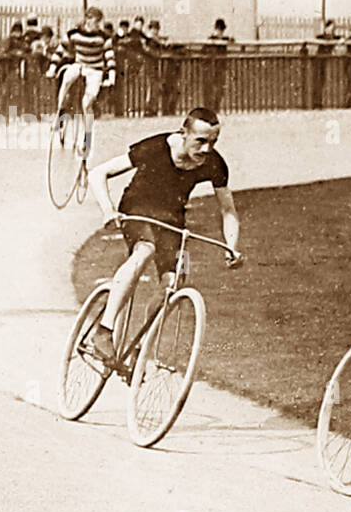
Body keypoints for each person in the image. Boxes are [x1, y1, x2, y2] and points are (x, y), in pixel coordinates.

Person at [84, 107, 243, 363]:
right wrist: (108, 211)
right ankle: (104, 331)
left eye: (213, 142)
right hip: (137, 209)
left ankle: (140, 347)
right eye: (200, 141)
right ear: (183, 134)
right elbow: (97, 173)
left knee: (174, 281)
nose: (206, 149)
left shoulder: (214, 163)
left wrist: (231, 246)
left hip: (171, 220)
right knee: (145, 249)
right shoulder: (156, 147)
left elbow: (228, 210)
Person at [46, 6, 116, 160]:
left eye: (99, 22)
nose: (97, 25)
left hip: (95, 70)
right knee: (67, 77)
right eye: (95, 21)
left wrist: (111, 76)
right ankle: (59, 112)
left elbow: (110, 57)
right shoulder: (74, 34)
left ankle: (87, 136)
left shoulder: (103, 37)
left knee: (86, 103)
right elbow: (60, 50)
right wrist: (52, 68)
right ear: (87, 19)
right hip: (79, 65)